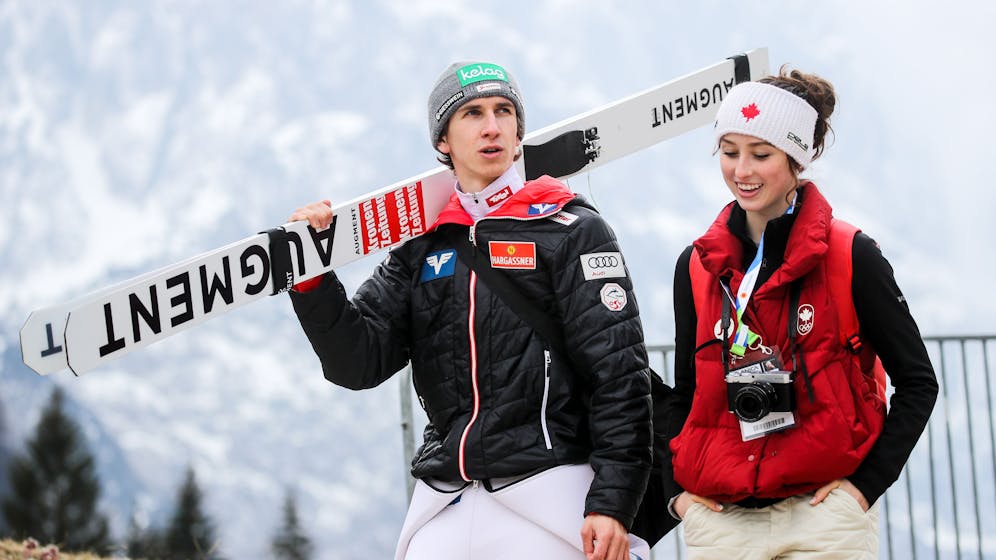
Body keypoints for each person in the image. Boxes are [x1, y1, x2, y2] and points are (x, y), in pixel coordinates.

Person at [287, 61, 654, 560]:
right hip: (448, 497)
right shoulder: (423, 245)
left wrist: (612, 503)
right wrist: (313, 275)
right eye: (473, 114)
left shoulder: (571, 228)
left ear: (519, 130)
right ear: (443, 141)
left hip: (552, 487)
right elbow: (358, 362)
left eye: (504, 112)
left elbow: (619, 376)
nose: (492, 126)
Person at [662, 67, 939, 559]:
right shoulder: (698, 267)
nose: (741, 171)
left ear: (797, 158)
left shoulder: (852, 255)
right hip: (721, 524)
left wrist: (863, 489)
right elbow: (686, 396)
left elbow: (918, 382)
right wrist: (677, 496)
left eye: (761, 154)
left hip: (824, 518)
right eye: (729, 153)